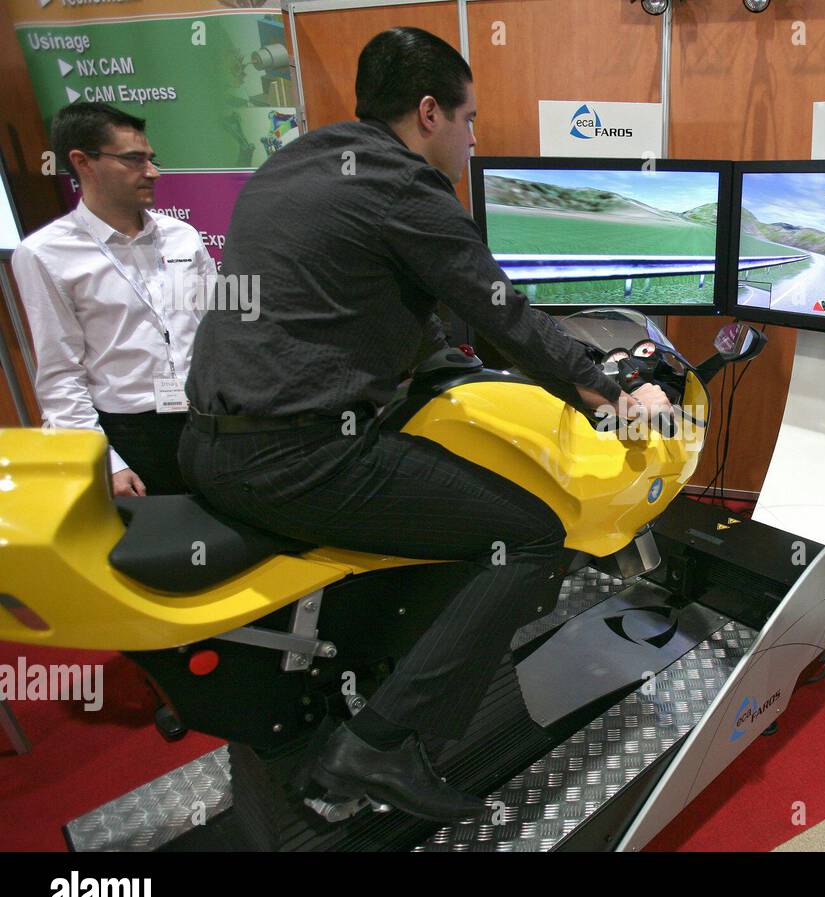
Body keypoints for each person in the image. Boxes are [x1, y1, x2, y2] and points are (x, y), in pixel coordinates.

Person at [179, 26, 671, 821]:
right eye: (471, 120)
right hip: (296, 457)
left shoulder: (297, 160)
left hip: (207, 443)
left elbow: (370, 302)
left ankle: (376, 682)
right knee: (530, 536)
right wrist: (608, 393)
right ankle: (381, 744)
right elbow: (501, 309)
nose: (474, 139)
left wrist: (451, 364)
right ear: (430, 112)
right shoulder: (404, 187)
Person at [12, 103, 217, 496]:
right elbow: (60, 374)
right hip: (133, 433)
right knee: (163, 547)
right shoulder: (45, 254)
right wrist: (107, 461)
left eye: (152, 159)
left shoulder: (182, 236)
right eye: (133, 160)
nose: (152, 172)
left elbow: (216, 321)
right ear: (82, 162)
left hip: (207, 418)